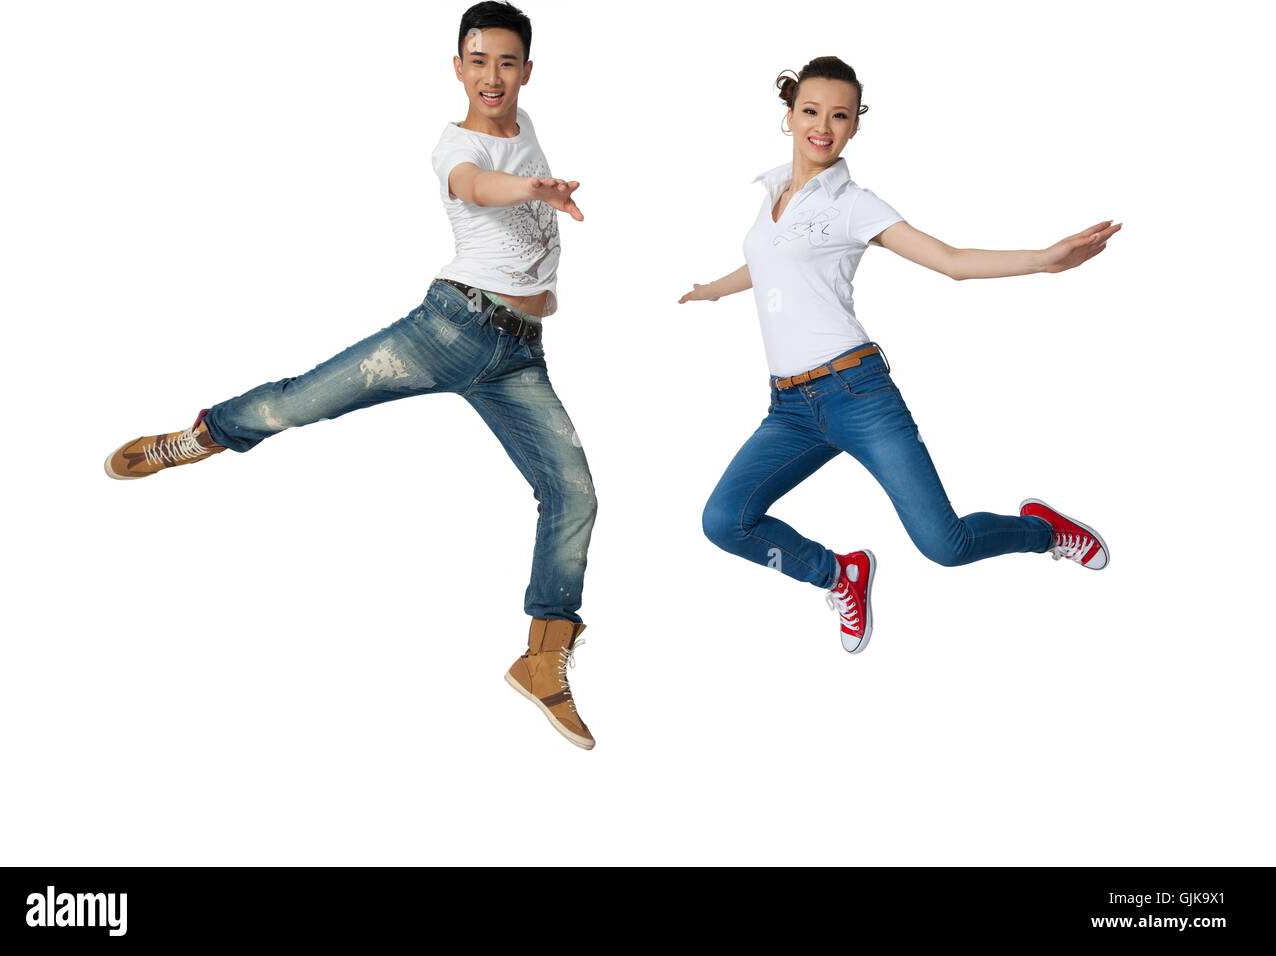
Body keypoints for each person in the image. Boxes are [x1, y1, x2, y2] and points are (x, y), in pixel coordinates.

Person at [103, 2, 599, 749]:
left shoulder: (524, 128)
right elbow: (472, 187)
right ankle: (198, 437)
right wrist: (533, 192)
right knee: (304, 400)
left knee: (575, 491)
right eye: (478, 60)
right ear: (457, 67)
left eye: (506, 62)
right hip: (448, 328)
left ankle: (542, 657)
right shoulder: (455, 143)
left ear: (527, 71)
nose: (491, 75)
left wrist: (543, 280)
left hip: (519, 354)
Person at [684, 56, 1116, 654]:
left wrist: (1043, 259)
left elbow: (951, 261)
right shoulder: (772, 195)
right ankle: (838, 574)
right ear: (789, 115)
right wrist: (713, 289)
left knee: (947, 547)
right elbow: (768, 262)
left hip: (857, 394)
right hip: (790, 409)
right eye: (810, 111)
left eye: (839, 115)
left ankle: (1043, 531)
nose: (823, 126)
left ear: (854, 126)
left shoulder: (855, 203)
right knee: (723, 522)